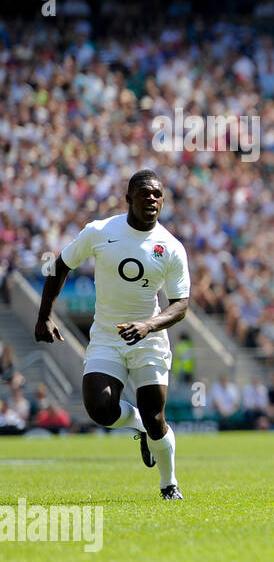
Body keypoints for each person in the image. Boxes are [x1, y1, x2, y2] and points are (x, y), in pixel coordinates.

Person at [34, 169, 190, 500]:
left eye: (157, 194)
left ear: (163, 201)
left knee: (155, 416)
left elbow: (181, 305)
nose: (151, 198)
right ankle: (138, 428)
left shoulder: (171, 247)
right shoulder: (100, 231)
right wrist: (45, 315)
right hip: (107, 335)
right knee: (100, 409)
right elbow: (60, 265)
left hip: (149, 338)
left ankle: (169, 484)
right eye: (144, 192)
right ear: (128, 198)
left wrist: (149, 325)